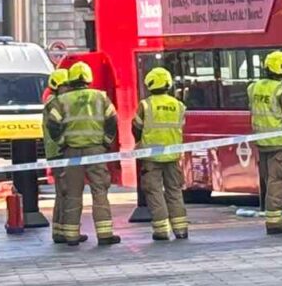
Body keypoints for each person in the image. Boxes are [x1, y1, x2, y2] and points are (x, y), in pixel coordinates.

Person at [45, 61, 120, 246]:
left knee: (72, 193)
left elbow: (52, 124)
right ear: (88, 78)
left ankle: (71, 235)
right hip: (96, 150)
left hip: (72, 151)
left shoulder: (62, 100)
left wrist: (62, 141)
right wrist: (106, 141)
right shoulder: (100, 97)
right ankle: (104, 234)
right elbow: (112, 120)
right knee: (99, 191)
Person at [131, 67, 189, 241]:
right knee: (175, 191)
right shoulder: (178, 105)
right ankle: (181, 229)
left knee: (154, 191)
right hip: (173, 155)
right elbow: (181, 126)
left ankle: (161, 230)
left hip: (151, 157)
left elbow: (136, 127)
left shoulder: (146, 105)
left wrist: (140, 143)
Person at [249, 50, 282, 235]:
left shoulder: (253, 87)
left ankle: (275, 218)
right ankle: (275, 222)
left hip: (261, 143)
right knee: (278, 182)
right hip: (280, 143)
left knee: (268, 180)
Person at [42, 68, 71, 243]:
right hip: (59, 151)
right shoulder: (55, 103)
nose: (68, 89)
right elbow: (58, 127)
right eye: (65, 86)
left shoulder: (51, 100)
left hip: (55, 152)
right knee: (66, 192)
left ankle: (59, 231)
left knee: (62, 193)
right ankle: (66, 231)